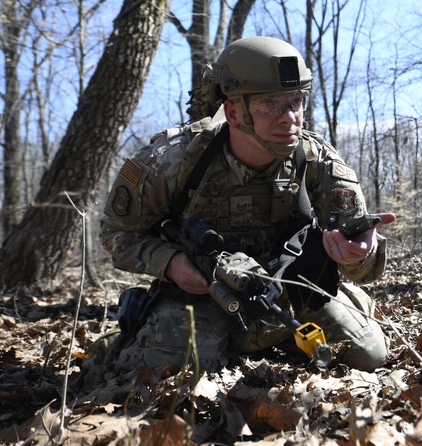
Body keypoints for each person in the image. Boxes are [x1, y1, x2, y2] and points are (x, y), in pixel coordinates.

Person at [100, 36, 394, 373]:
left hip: (289, 290)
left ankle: (333, 313)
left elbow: (361, 261)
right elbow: (115, 233)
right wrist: (172, 263)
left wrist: (359, 256)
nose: (289, 118)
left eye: (296, 102)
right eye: (269, 104)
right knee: (165, 374)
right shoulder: (171, 161)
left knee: (368, 354)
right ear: (233, 111)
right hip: (201, 295)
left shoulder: (316, 159)